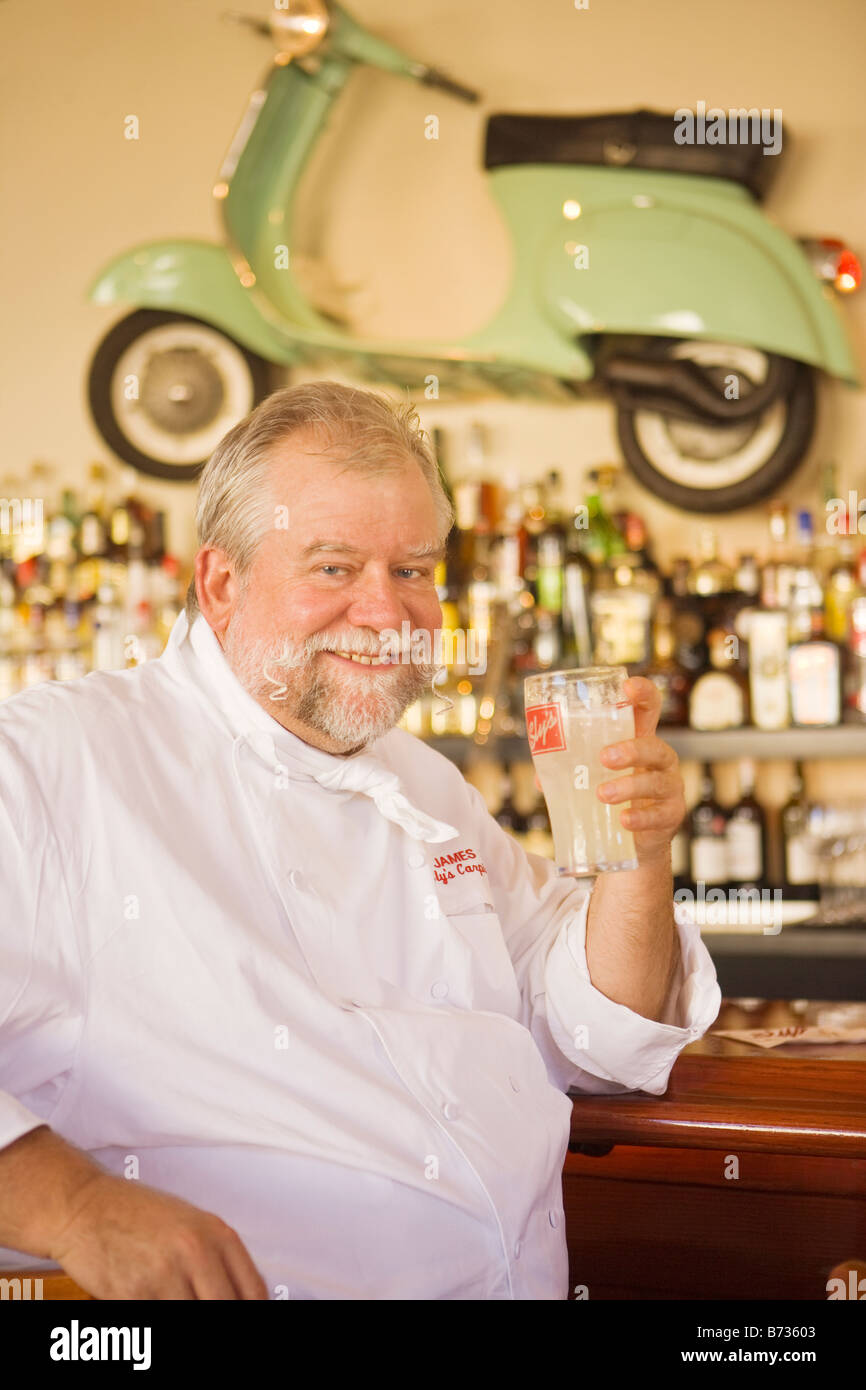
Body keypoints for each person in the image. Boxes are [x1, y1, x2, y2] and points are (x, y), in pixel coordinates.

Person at [0, 381, 720, 1300]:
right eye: (334, 568)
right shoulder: (53, 763)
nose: (386, 614)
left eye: (413, 570)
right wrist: (77, 1211)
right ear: (222, 585)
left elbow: (593, 1030)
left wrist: (637, 853)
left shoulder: (423, 783)